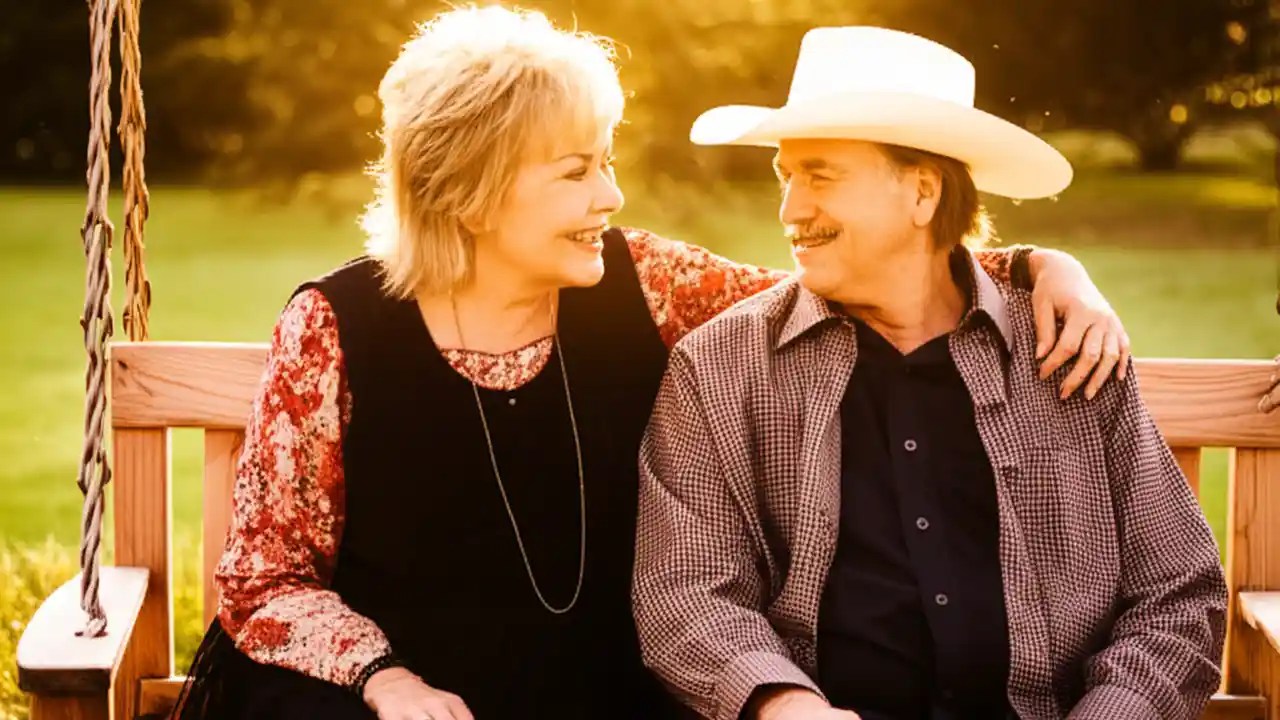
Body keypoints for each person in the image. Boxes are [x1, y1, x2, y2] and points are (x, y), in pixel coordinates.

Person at [174, 10, 1132, 720]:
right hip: (372, 698)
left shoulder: (648, 284)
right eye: (576, 171)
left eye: (606, 161)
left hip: (581, 694)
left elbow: (863, 273)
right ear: (469, 190)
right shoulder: (334, 328)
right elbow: (265, 579)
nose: (612, 194)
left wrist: (1037, 267)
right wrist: (387, 680)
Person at [632, 26, 1227, 720]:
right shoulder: (719, 367)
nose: (790, 209)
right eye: (785, 177)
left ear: (922, 193)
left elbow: (1178, 594)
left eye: (820, 176)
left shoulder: (1068, 348)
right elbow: (686, 590)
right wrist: (784, 705)